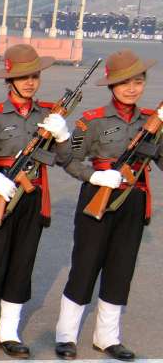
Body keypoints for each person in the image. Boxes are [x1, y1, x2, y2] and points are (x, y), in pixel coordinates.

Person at [0, 44, 71, 358]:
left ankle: (8, 331)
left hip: (32, 196)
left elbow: (66, 159)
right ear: (9, 79)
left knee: (22, 262)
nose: (29, 82)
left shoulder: (49, 116)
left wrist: (61, 136)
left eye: (34, 76)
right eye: (23, 77)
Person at [53, 49, 158, 361]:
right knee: (85, 264)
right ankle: (66, 336)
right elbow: (67, 158)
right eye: (124, 82)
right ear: (111, 85)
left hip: (133, 200)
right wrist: (95, 177)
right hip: (97, 198)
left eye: (138, 82)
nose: (131, 88)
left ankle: (107, 337)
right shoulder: (92, 121)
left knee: (120, 268)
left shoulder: (153, 121)